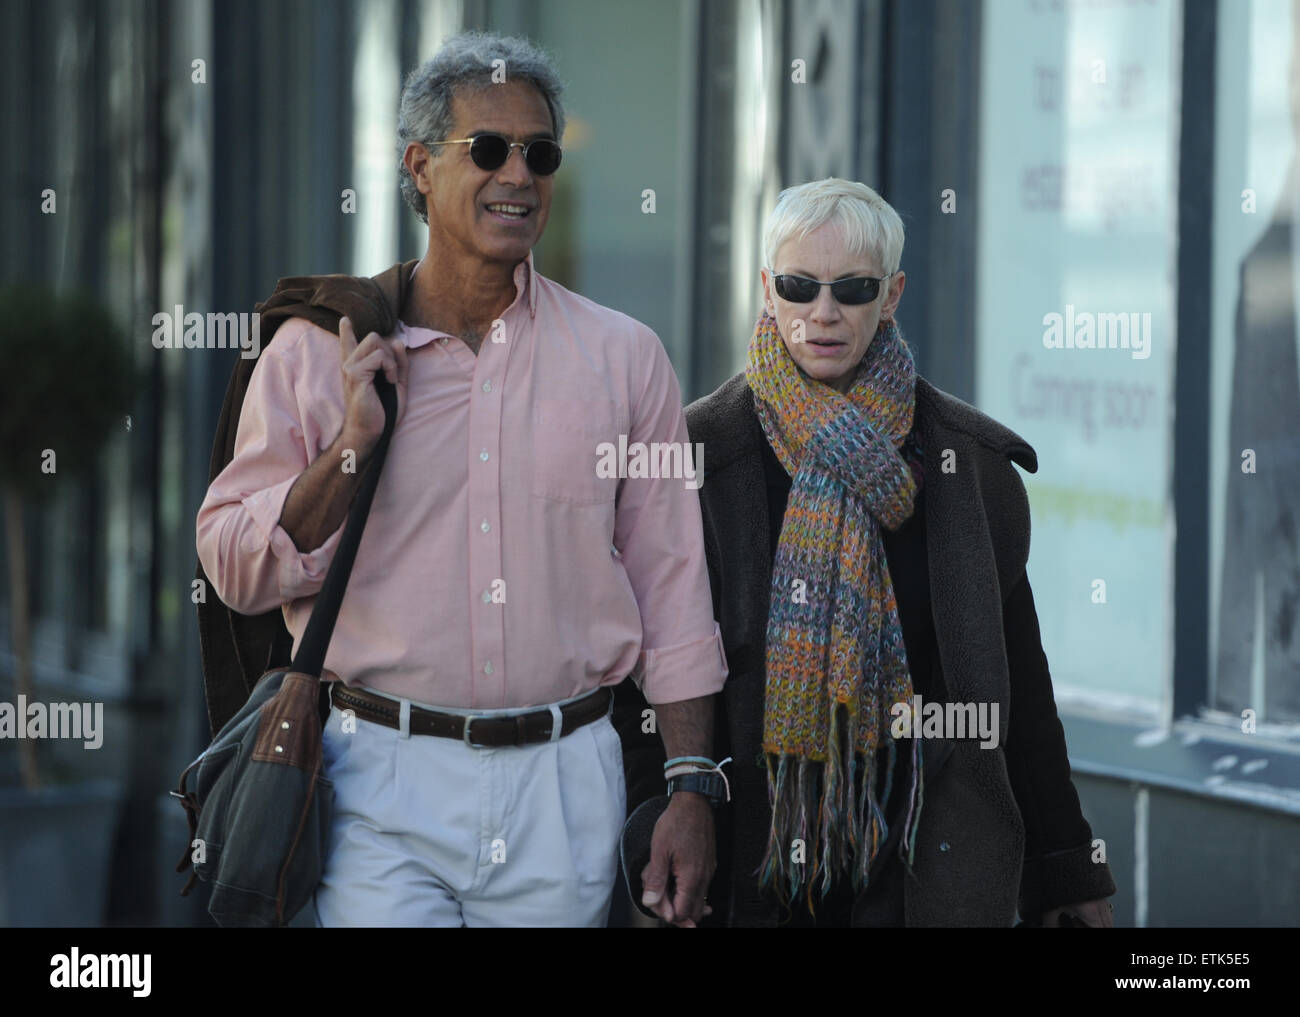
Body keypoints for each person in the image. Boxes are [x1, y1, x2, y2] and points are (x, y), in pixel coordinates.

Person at [196, 31, 725, 928]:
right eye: (487, 149)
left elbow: (672, 585)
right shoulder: (316, 354)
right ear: (419, 167)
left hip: (565, 784)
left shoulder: (626, 358)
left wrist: (690, 787)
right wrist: (350, 450)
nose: (517, 175)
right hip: (377, 778)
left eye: (540, 153)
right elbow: (234, 568)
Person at [615, 177, 1117, 926]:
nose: (823, 311)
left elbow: (1022, 686)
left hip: (926, 868)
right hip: (747, 861)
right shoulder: (694, 458)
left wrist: (1068, 868)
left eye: (852, 288)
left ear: (892, 295)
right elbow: (638, 674)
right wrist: (660, 814)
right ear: (766, 289)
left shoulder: (968, 467)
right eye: (798, 285)